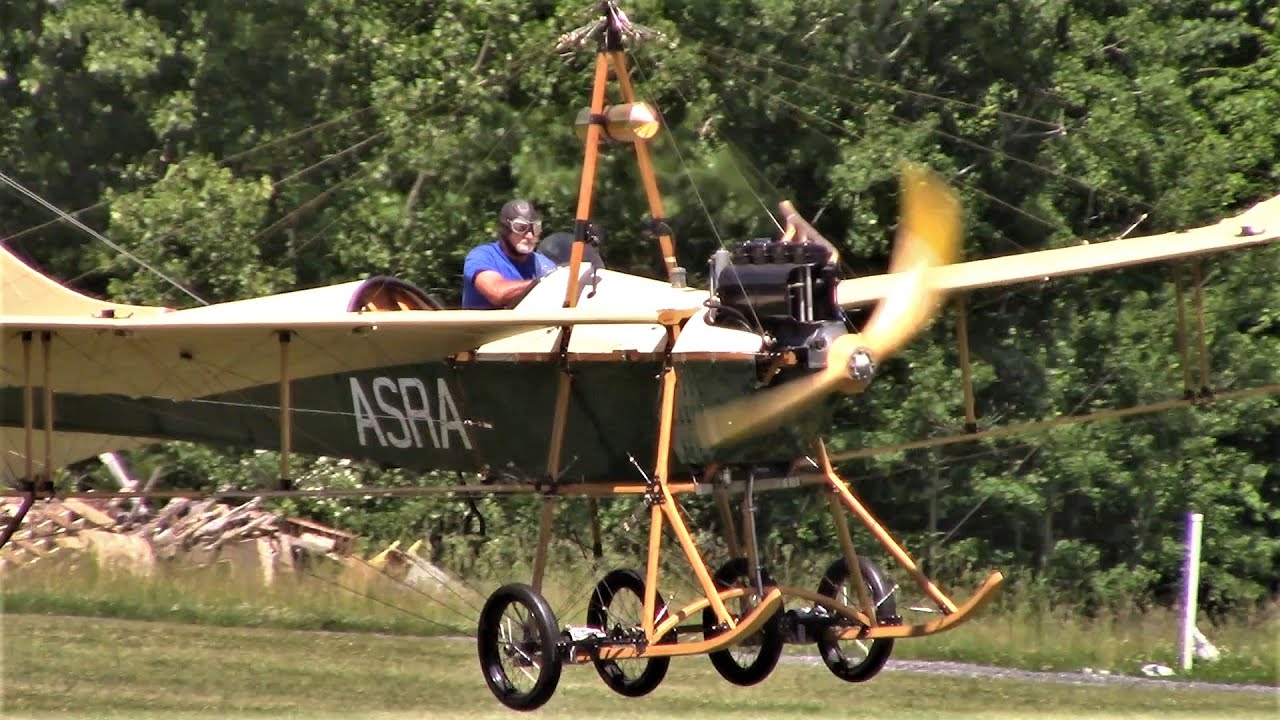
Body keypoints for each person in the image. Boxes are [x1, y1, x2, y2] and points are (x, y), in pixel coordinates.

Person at [462, 199, 557, 309]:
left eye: (535, 228)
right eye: (521, 228)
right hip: (488, 326)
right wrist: (545, 282)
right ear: (505, 229)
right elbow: (497, 293)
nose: (530, 236)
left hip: (534, 326)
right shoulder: (482, 256)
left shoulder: (544, 265)